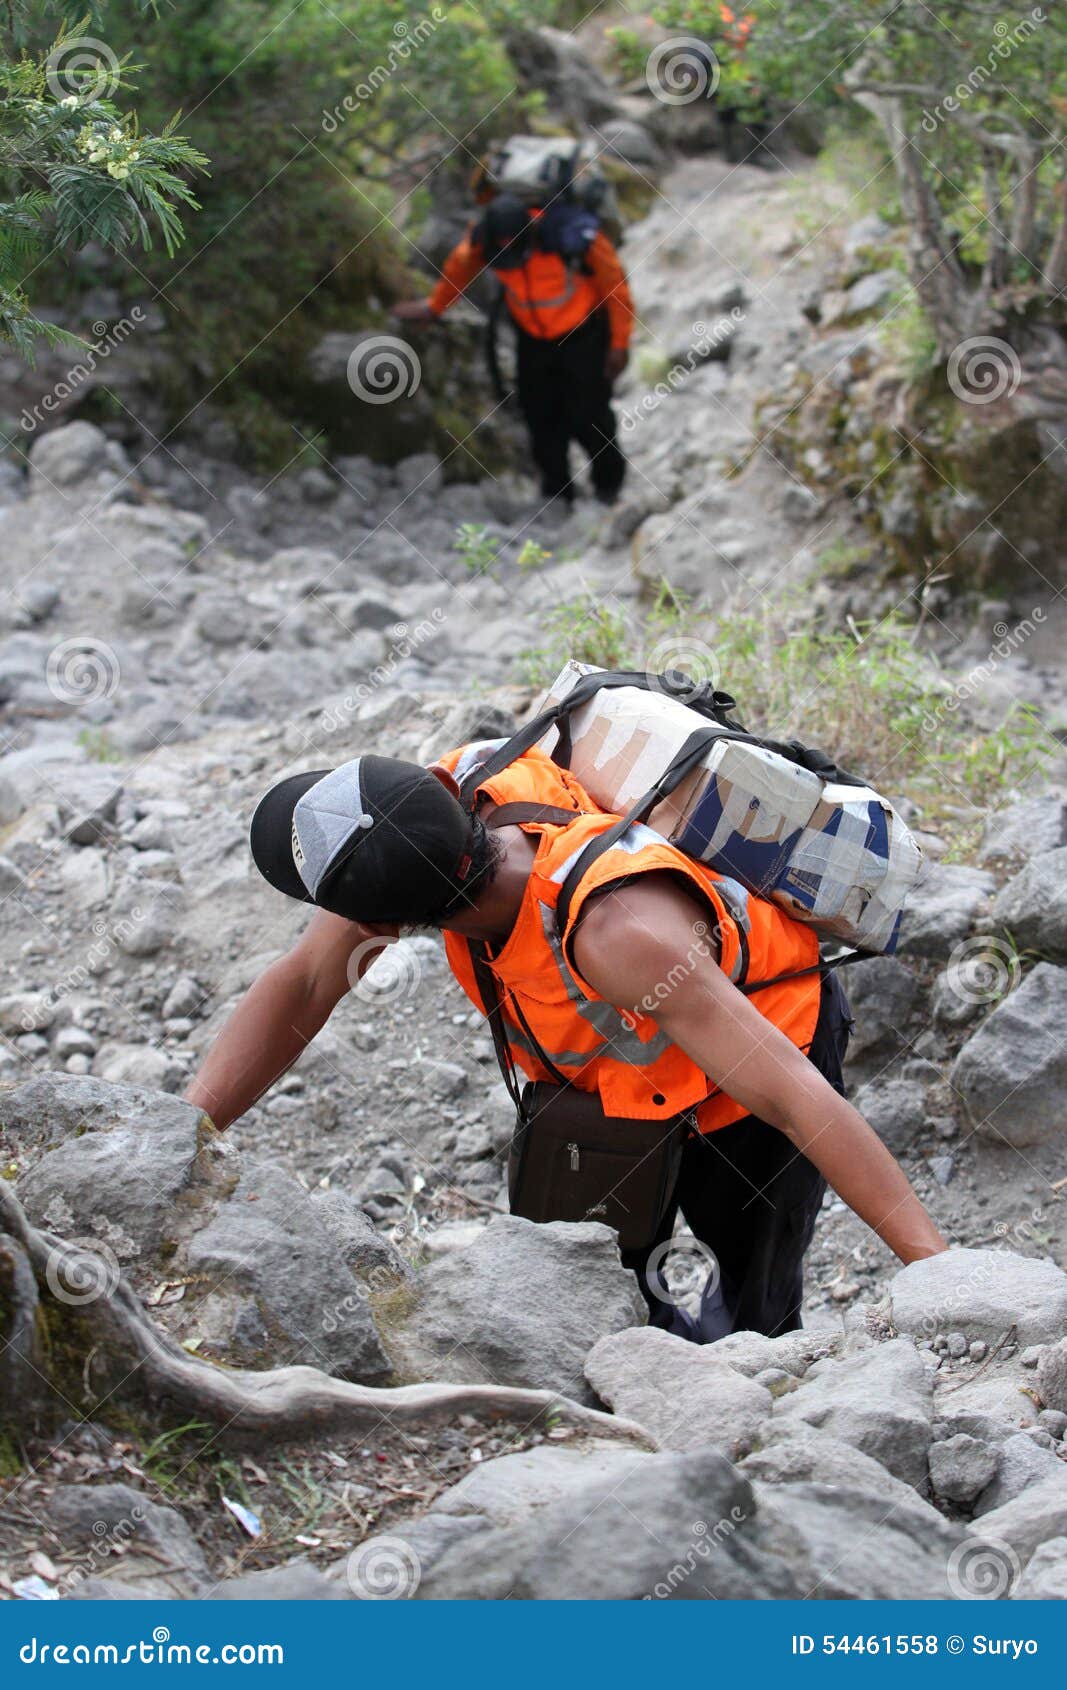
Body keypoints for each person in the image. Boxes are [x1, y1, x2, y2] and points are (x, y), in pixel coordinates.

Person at [186, 744, 947, 1345]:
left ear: (393, 926)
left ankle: (757, 1397)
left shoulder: (618, 932)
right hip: (608, 1094)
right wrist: (181, 1133)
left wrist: (942, 1274)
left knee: (749, 1302)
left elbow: (790, 1096)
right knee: (585, 1297)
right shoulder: (437, 808)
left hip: (756, 1067)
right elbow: (308, 983)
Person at [393, 193, 633, 510]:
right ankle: (556, 494)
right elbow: (460, 267)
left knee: (588, 414)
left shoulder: (572, 237)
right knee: (538, 415)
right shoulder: (485, 239)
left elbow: (616, 286)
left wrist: (619, 344)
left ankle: (608, 486)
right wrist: (434, 308)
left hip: (583, 334)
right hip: (532, 337)